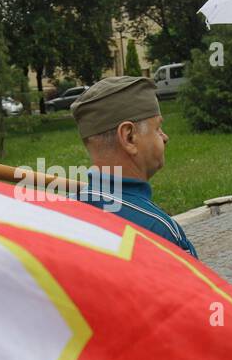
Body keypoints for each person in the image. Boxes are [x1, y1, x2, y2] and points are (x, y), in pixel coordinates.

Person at [69, 76, 197, 257]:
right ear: (129, 137)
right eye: (157, 128)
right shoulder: (160, 232)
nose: (165, 137)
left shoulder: (65, 216)